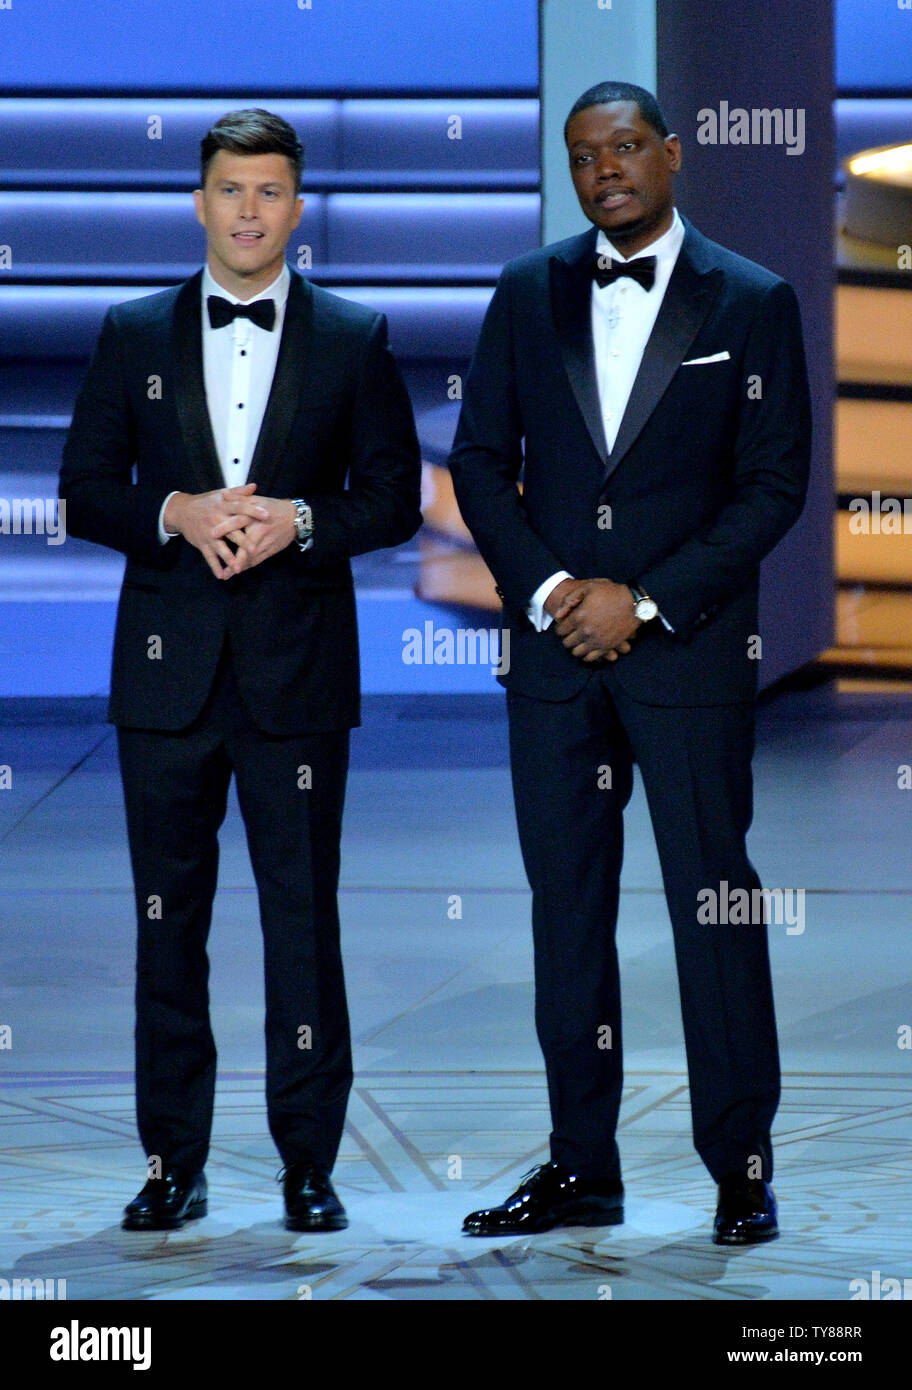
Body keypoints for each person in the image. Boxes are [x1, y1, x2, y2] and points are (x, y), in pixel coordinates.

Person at [448, 81, 811, 1244]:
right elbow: (476, 460)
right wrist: (558, 594)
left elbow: (774, 487)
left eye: (623, 147)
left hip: (686, 658)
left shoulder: (752, 301)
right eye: (583, 156)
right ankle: (579, 1166)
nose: (604, 169)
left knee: (713, 906)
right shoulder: (524, 290)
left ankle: (741, 1167)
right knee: (568, 916)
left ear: (672, 152)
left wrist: (642, 601)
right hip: (556, 662)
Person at [59, 108, 422, 1233]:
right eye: (230, 190)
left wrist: (300, 521)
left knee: (301, 924)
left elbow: (396, 498)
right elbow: (82, 488)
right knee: (168, 924)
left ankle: (308, 1164)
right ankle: (173, 1160)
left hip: (297, 678)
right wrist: (174, 508)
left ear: (298, 209)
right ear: (200, 201)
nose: (250, 211)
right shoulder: (131, 333)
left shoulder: (356, 337)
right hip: (166, 680)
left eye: (270, 192)